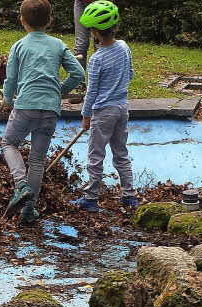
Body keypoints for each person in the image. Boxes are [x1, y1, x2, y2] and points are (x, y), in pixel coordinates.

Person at [2, 0, 86, 223]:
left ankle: (21, 184)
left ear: (22, 21)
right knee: (38, 160)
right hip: (50, 110)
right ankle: (28, 211)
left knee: (9, 144)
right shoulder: (58, 45)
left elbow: (11, 79)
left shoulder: (19, 46)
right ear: (49, 21)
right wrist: (59, 90)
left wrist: (7, 99)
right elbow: (78, 73)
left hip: (26, 106)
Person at [69, 1, 137, 212]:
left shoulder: (96, 59)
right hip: (121, 108)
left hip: (102, 112)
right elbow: (131, 74)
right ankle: (129, 196)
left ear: (95, 32)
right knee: (121, 153)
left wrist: (86, 115)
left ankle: (91, 198)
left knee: (95, 155)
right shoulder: (124, 47)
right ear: (114, 27)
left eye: (91, 31)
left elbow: (92, 92)